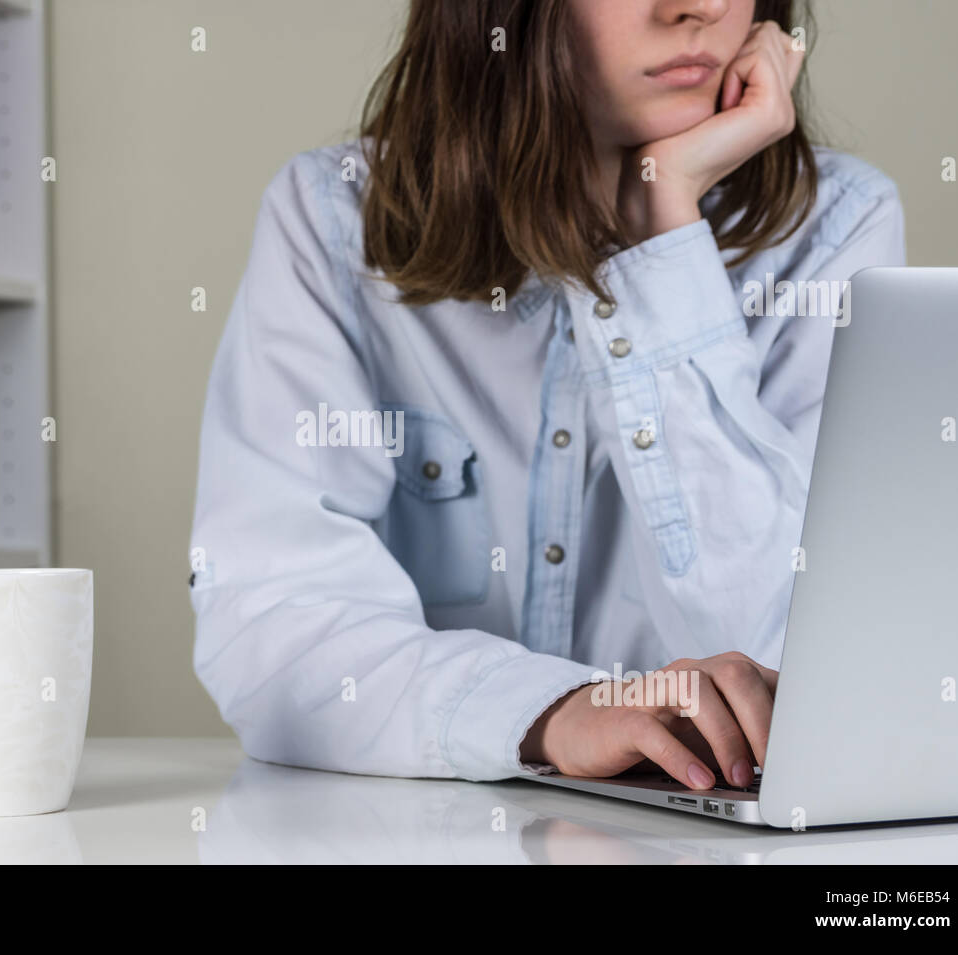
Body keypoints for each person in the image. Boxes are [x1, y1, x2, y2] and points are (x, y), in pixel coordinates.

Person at [189, 0, 905, 790]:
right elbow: (273, 628)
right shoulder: (332, 219)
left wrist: (662, 239)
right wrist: (554, 713)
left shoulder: (833, 228)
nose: (699, 6)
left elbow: (789, 670)